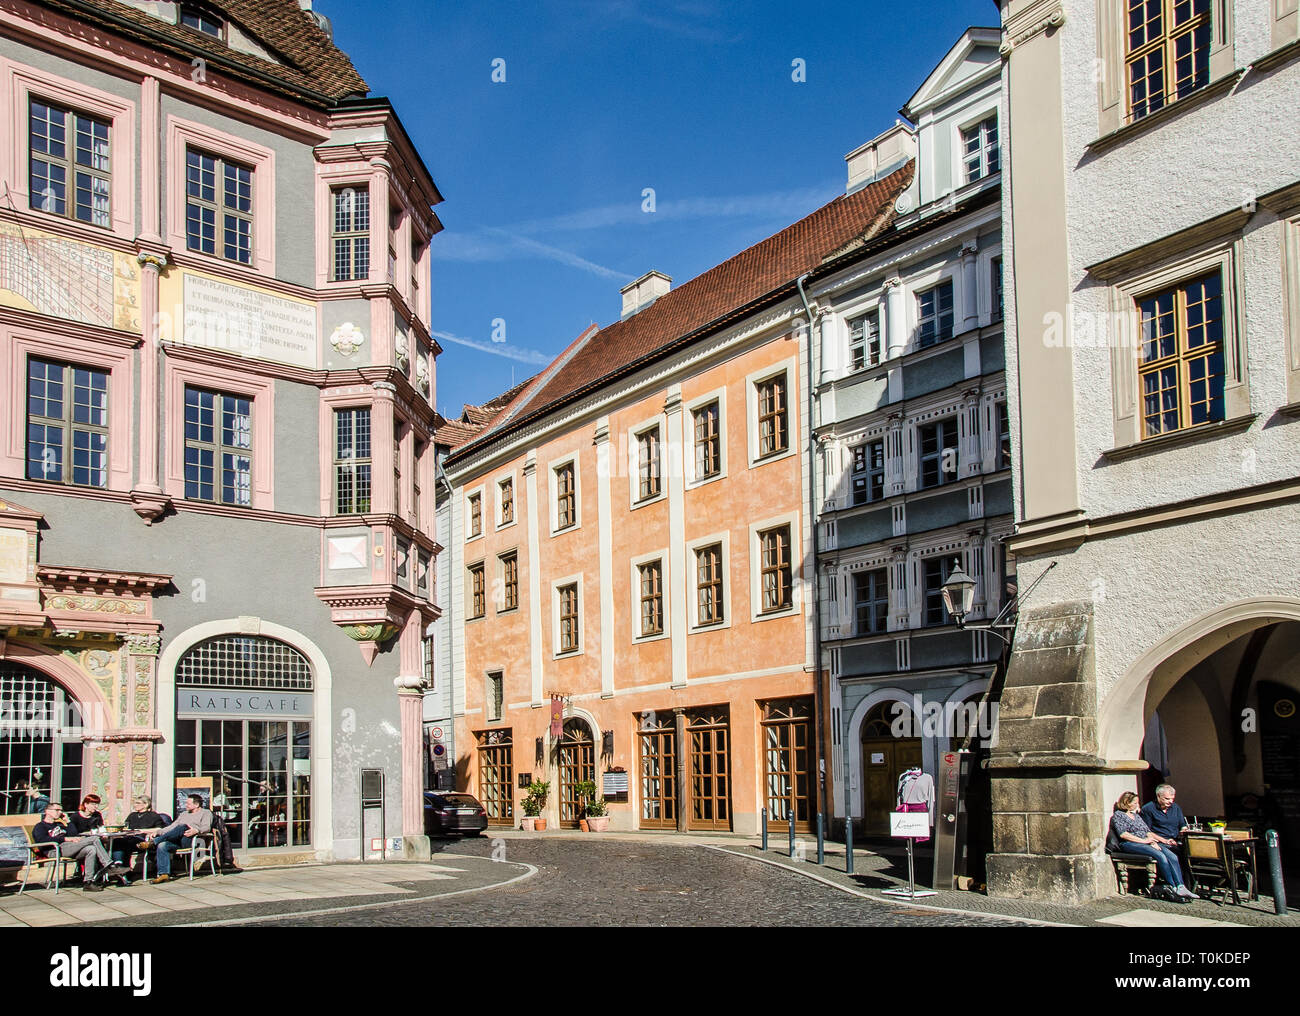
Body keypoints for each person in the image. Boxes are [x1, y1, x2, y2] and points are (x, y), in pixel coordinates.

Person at [1108, 791, 1196, 902]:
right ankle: (1171, 886)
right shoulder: (1119, 816)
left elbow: (1148, 831)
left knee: (1171, 856)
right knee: (1160, 856)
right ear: (1127, 803)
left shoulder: (1136, 816)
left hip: (1146, 841)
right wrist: (1145, 841)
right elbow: (1123, 834)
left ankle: (1180, 886)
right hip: (1131, 844)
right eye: (1135, 803)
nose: (1137, 805)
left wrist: (1157, 841)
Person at [31, 803, 128, 892]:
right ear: (47, 811)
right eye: (57, 810)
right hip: (54, 850)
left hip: (68, 848)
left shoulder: (60, 825)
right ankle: (109, 866)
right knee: (94, 838)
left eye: (61, 810)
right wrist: (66, 839)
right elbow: (42, 840)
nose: (60, 812)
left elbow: (74, 835)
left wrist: (68, 822)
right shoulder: (40, 826)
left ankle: (88, 882)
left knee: (91, 849)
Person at [141, 794, 213, 884]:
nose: (185, 805)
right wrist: (158, 832)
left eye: (188, 803)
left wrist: (196, 830)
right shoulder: (183, 814)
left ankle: (153, 842)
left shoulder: (206, 813)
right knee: (162, 845)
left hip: (192, 840)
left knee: (183, 827)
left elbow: (207, 827)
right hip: (178, 840)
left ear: (196, 805)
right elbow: (172, 827)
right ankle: (164, 874)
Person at [112, 795, 166, 875]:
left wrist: (143, 831)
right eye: (135, 803)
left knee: (125, 843)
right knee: (117, 841)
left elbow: (160, 829)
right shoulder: (132, 815)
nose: (135, 805)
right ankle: (119, 865)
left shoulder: (153, 815)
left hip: (142, 840)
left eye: (138, 803)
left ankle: (124, 872)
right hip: (129, 837)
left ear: (146, 804)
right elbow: (126, 826)